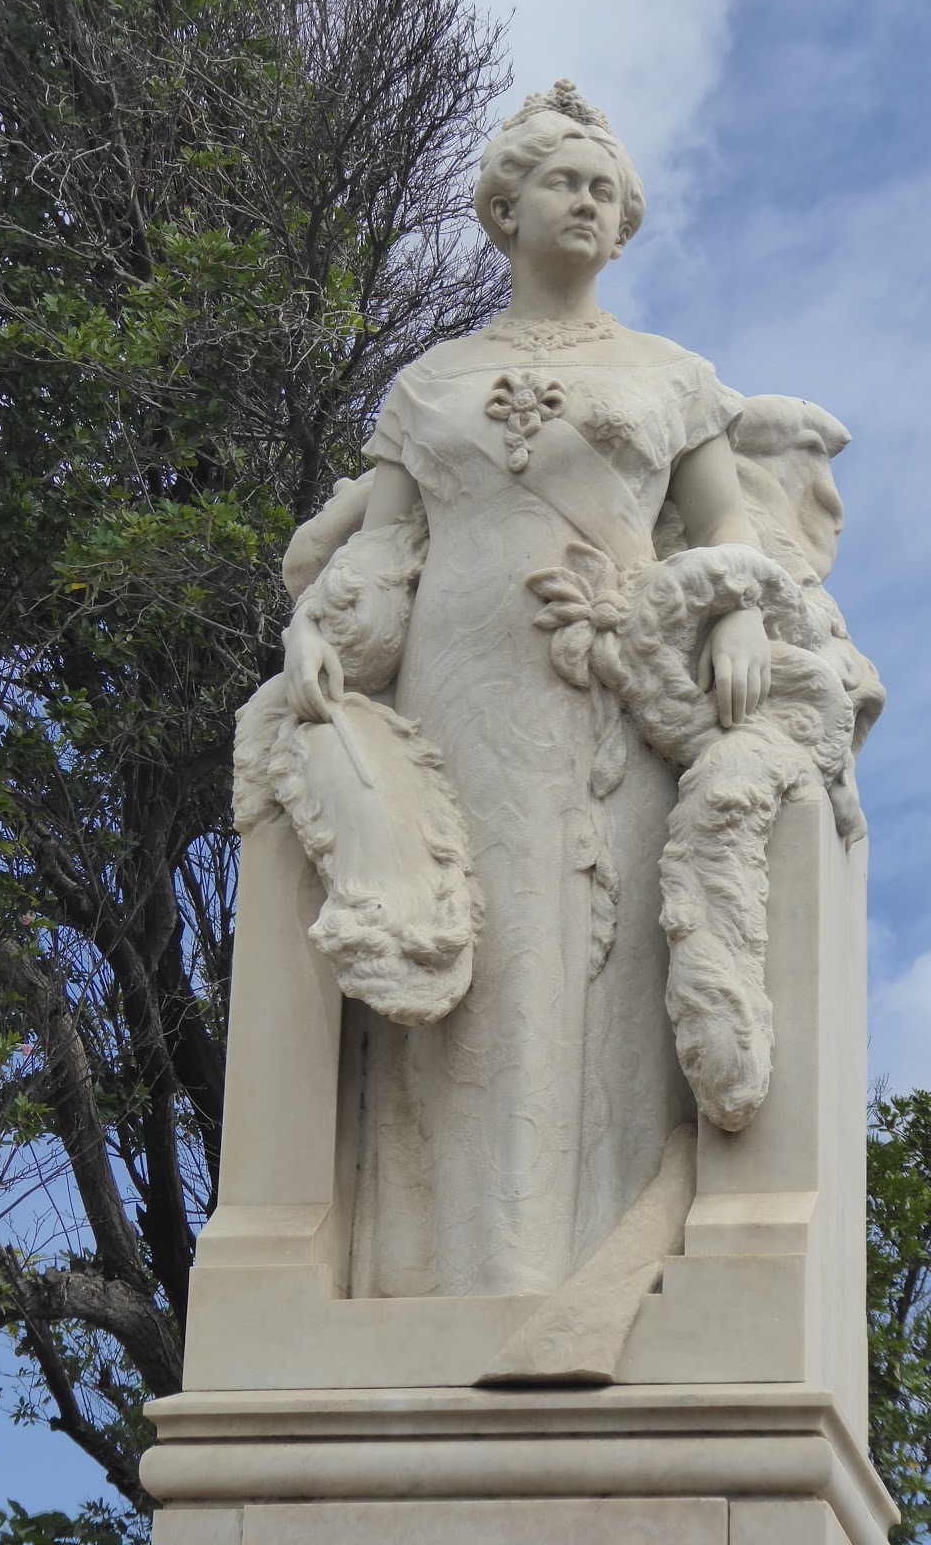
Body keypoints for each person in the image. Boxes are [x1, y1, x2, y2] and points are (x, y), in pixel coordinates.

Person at [278, 81, 774, 1299]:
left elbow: (727, 523)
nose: (589, 202)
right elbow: (383, 543)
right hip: (456, 694)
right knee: (471, 963)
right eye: (566, 181)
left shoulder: (672, 375)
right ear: (506, 208)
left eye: (607, 189)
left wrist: (742, 613)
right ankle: (450, 1280)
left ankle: (596, 1274)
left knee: (593, 978)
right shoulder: (430, 380)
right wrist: (312, 635)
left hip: (605, 686)